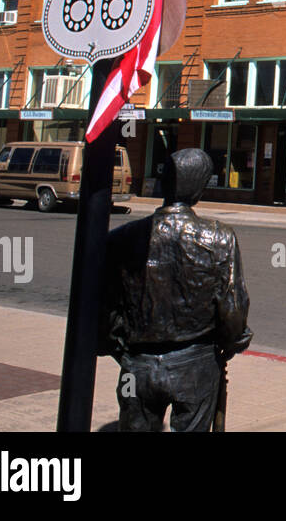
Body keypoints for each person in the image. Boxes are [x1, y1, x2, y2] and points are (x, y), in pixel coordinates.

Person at [99, 148, 252, 431]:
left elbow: (107, 310)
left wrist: (124, 353)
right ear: (199, 188)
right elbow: (232, 308)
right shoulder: (219, 237)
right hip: (196, 364)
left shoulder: (121, 238)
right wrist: (232, 344)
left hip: (138, 364)